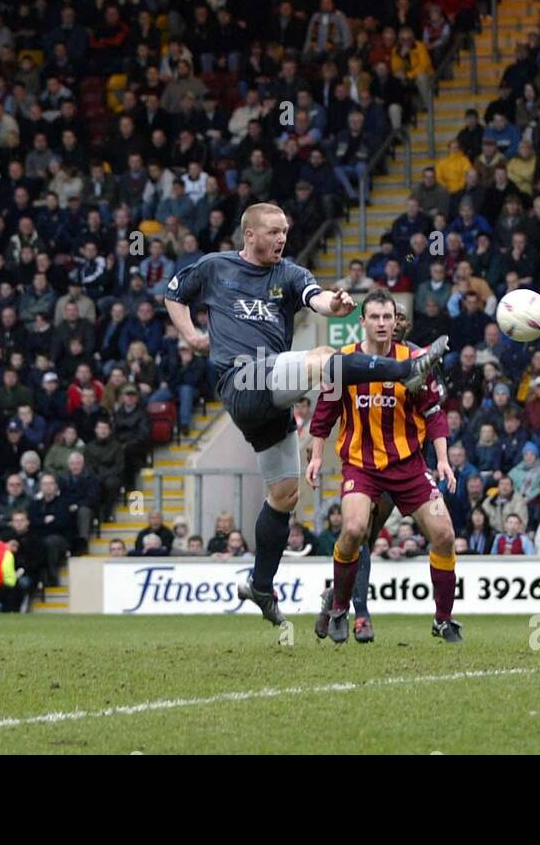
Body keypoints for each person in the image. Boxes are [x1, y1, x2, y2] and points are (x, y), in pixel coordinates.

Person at [164, 203, 446, 633]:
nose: (282, 239)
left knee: (284, 496)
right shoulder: (214, 268)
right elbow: (174, 291)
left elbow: (318, 300)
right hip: (242, 378)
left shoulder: (289, 275)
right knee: (324, 359)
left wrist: (336, 302)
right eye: (274, 232)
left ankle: (260, 586)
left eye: (286, 231)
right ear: (250, 234)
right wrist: (191, 336)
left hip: (270, 396)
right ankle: (405, 370)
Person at [306, 289, 459, 643]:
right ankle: (341, 609)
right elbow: (324, 413)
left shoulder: (416, 359)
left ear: (395, 322)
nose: (381, 323)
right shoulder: (342, 362)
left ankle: (443, 619)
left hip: (408, 466)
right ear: (361, 322)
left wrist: (443, 461)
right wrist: (315, 456)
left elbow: (434, 413)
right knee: (354, 530)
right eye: (374, 317)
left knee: (445, 535)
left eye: (387, 317)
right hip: (362, 466)